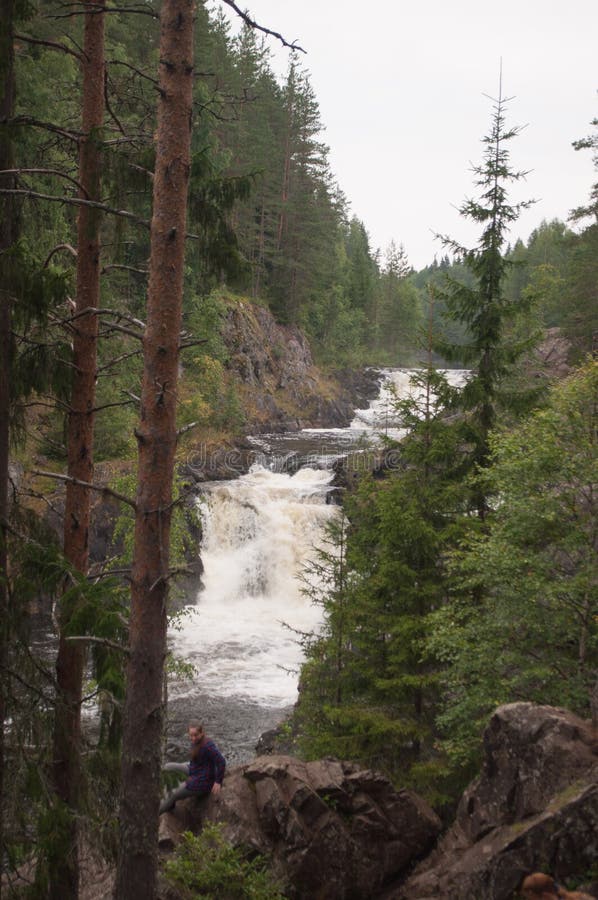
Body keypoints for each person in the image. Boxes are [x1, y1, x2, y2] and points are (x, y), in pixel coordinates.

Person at [159, 721, 226, 815]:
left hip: (203, 781)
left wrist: (218, 781)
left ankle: (152, 818)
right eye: (191, 735)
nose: (193, 738)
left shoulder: (208, 746)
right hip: (194, 769)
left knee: (173, 793)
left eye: (196, 735)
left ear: (202, 733)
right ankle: (169, 804)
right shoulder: (196, 742)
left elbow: (221, 761)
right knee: (167, 767)